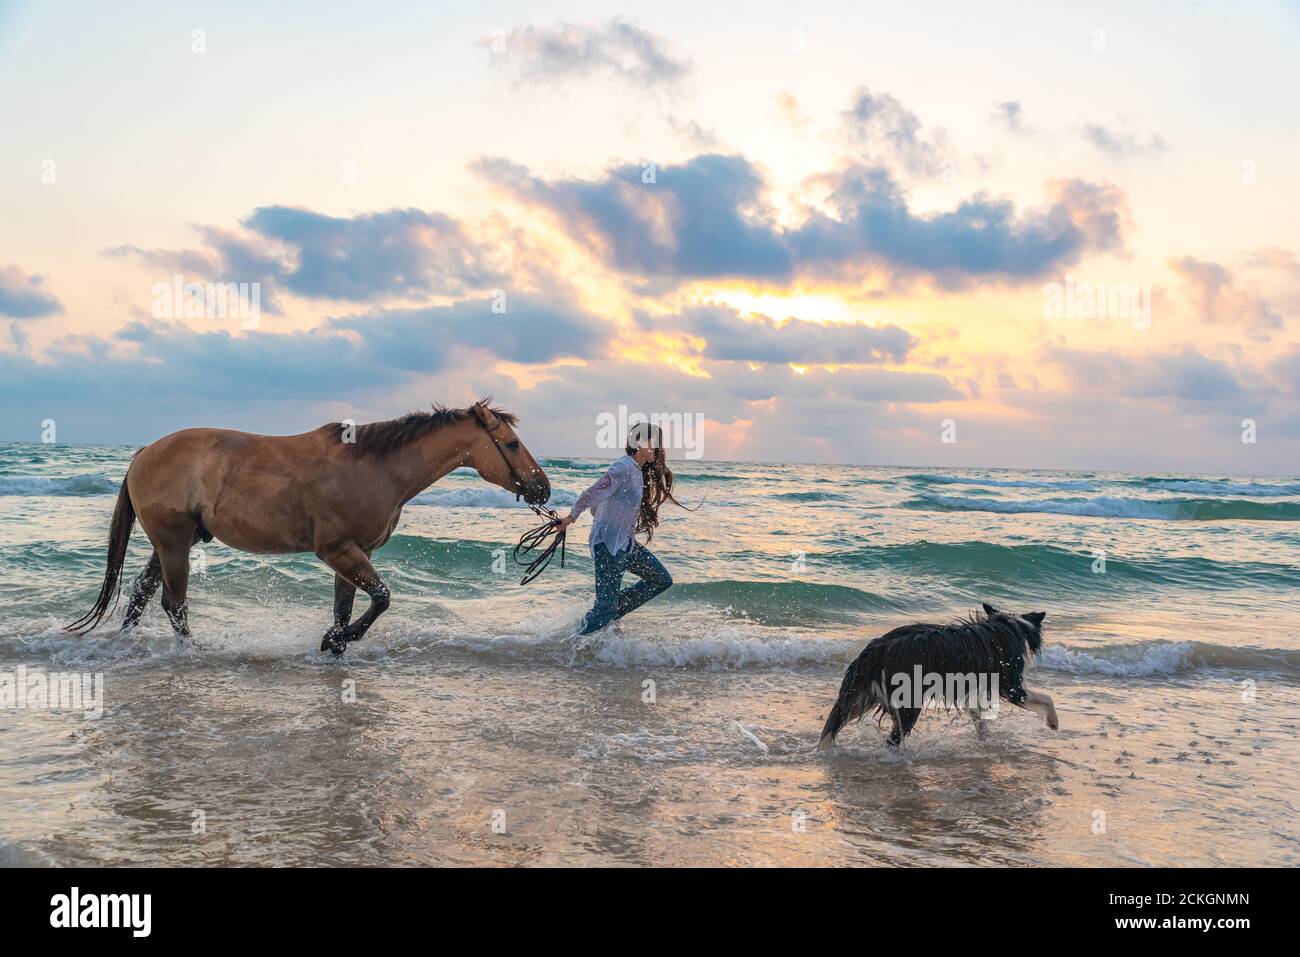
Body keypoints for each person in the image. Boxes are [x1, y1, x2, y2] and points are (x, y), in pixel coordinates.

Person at [558, 423, 683, 635]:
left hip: (626, 545)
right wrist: (571, 517)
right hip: (607, 546)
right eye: (657, 444)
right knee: (605, 607)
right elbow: (592, 493)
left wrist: (602, 512)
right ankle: (573, 645)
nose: (660, 449)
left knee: (661, 579)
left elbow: (601, 503)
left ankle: (608, 614)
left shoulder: (637, 471)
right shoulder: (622, 467)